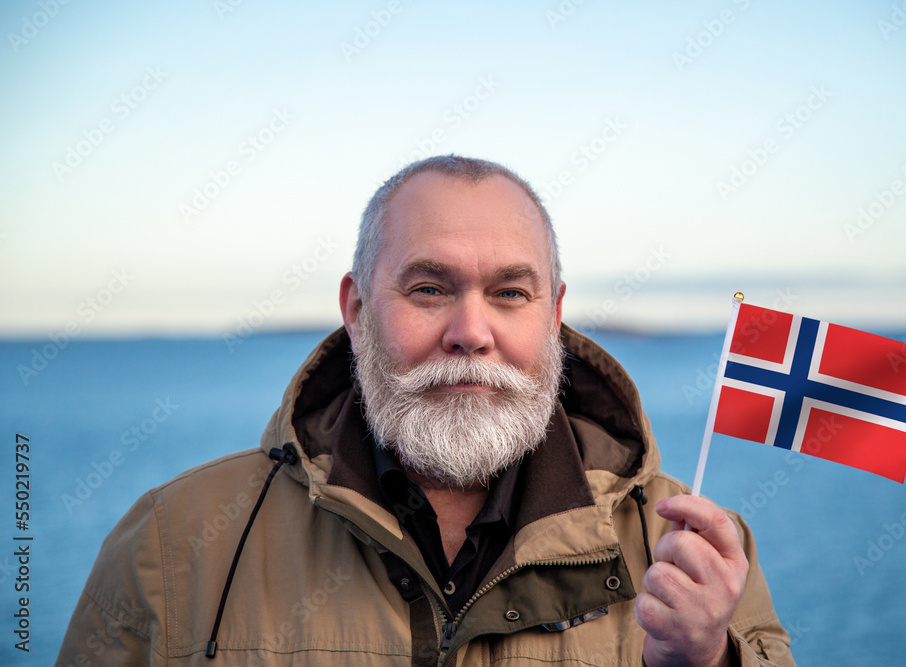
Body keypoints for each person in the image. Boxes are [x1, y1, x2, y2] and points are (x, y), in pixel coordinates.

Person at [58, 155, 795, 666]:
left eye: (511, 292)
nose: (471, 331)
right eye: (430, 289)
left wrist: (708, 660)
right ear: (356, 309)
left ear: (554, 313)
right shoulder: (175, 541)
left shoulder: (695, 554)